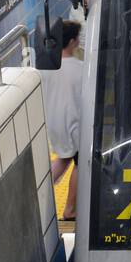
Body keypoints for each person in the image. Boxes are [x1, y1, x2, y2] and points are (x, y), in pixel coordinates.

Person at [40, 20, 84, 220]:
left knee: (64, 158)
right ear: (73, 41)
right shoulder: (81, 68)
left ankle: (37, 195)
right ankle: (70, 210)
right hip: (73, 123)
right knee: (81, 163)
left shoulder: (46, 67)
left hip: (54, 123)